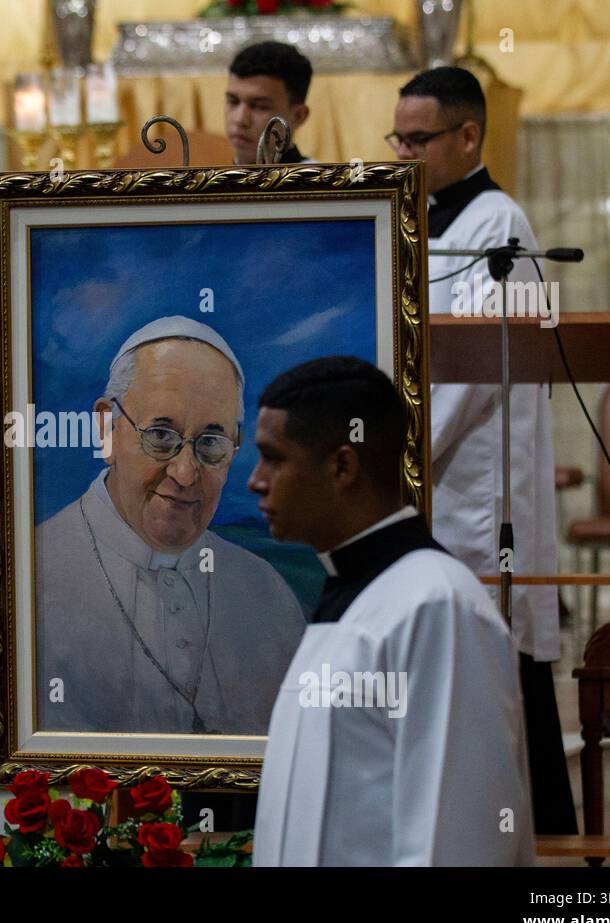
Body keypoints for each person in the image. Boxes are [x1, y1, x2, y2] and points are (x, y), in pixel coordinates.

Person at [249, 356, 533, 865]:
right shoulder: (350, 594)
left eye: (273, 458)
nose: (255, 480)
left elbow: (458, 837)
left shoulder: (435, 605)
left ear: (342, 466)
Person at [388, 66, 575, 835]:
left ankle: (529, 840)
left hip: (472, 482)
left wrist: (398, 462)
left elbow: (474, 374)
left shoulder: (501, 225)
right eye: (395, 136)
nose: (402, 153)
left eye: (418, 138)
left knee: (495, 667)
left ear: (468, 136)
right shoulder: (421, 216)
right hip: (433, 475)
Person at [36, 316, 305, 735]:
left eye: (211, 444)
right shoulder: (34, 577)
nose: (184, 472)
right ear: (107, 428)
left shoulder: (266, 592)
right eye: (160, 436)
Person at [225, 41, 314, 164]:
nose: (240, 120)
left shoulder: (322, 182)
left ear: (298, 116)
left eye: (260, 107)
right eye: (233, 101)